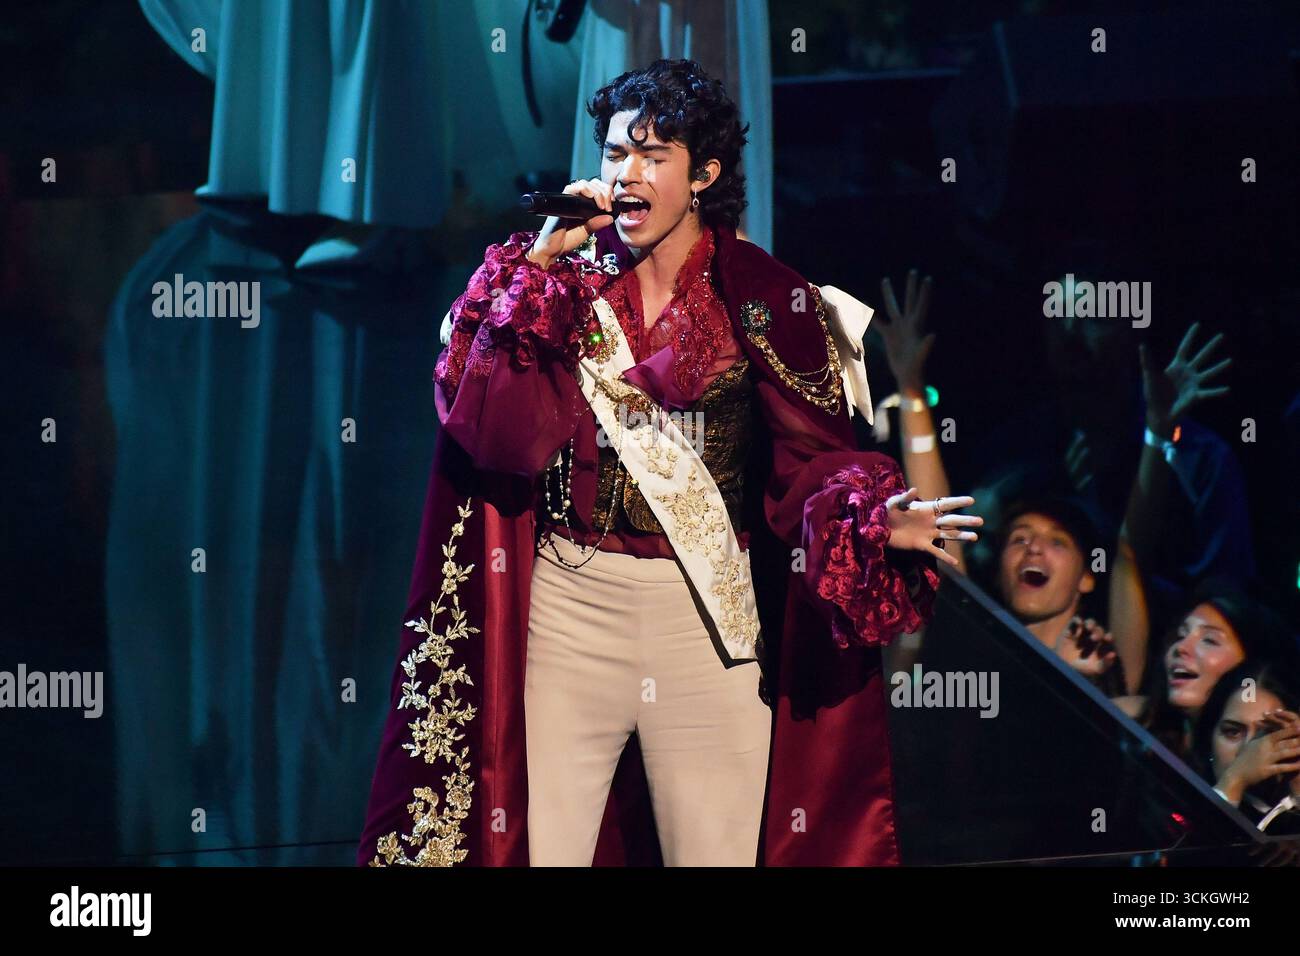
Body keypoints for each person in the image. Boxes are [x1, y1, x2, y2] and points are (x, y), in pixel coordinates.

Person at [357, 59, 981, 867]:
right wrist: (537, 271)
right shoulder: (554, 282)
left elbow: (808, 468)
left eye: (654, 155)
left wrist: (869, 515)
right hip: (566, 611)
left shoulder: (765, 296)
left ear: (703, 175)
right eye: (617, 153)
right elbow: (496, 434)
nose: (627, 174)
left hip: (704, 625)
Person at [1194, 659, 1300, 835]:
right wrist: (1234, 781)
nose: (1249, 750)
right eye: (1233, 732)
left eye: (1266, 734)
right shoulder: (1172, 797)